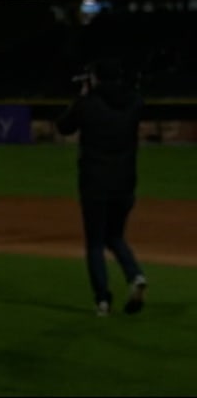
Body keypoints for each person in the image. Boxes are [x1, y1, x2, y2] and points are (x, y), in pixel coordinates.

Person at [57, 59, 149, 316]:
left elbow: (64, 127)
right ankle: (135, 276)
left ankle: (102, 300)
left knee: (95, 243)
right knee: (116, 235)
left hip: (94, 182)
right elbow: (136, 99)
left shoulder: (87, 104)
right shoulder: (133, 102)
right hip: (125, 182)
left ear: (95, 78)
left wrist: (83, 96)